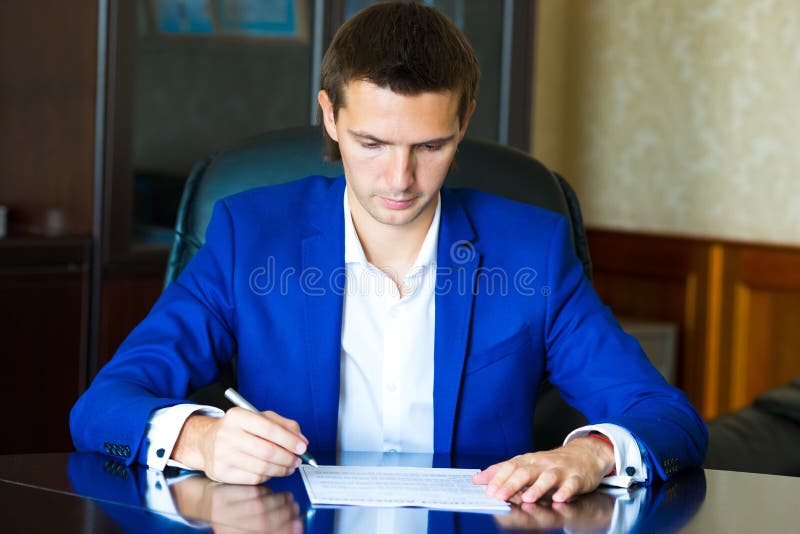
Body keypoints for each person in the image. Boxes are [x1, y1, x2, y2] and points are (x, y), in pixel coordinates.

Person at [70, 2, 707, 505]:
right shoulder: (250, 235)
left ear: (464, 124)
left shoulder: (532, 250)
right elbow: (105, 405)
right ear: (329, 116)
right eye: (371, 143)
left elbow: (665, 415)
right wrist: (203, 439)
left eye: (429, 146)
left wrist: (591, 453)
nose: (399, 179)